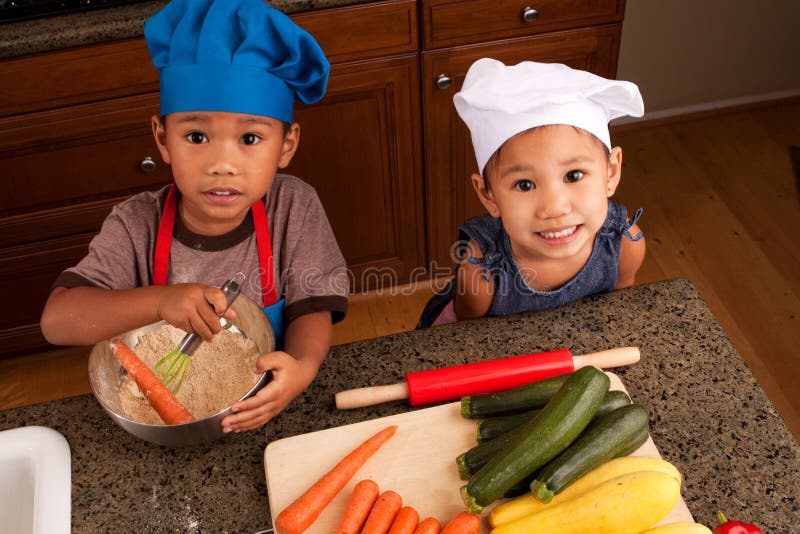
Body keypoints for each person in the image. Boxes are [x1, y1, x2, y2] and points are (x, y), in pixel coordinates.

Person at [39, 0, 348, 433]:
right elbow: (57, 321)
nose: (222, 163)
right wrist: (161, 300)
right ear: (163, 139)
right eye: (197, 136)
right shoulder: (135, 225)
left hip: (264, 410)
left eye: (250, 137)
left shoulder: (293, 208)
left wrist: (302, 367)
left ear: (286, 145)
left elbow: (310, 309)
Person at [421, 58, 646, 325]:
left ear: (610, 173)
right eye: (525, 184)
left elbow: (617, 314)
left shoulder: (624, 245)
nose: (554, 207)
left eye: (573, 176)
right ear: (488, 195)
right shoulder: (482, 274)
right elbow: (472, 345)